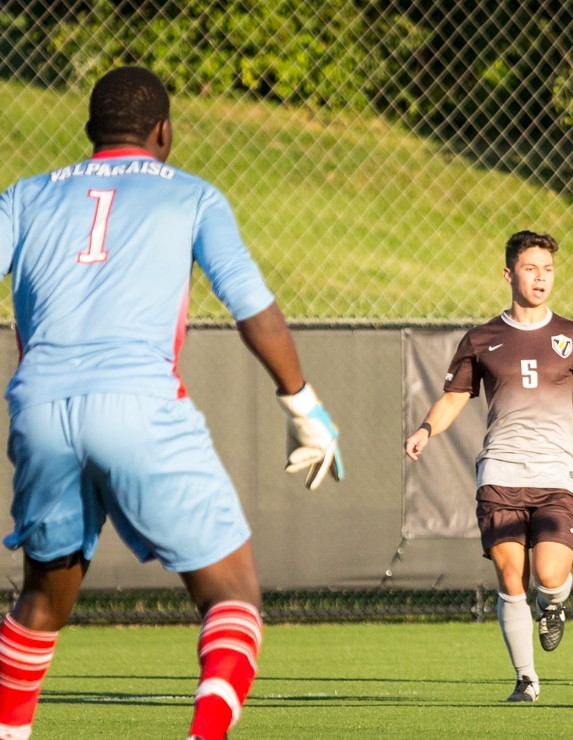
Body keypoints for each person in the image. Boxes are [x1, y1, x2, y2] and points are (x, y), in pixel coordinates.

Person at [0, 66, 345, 740]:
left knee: (43, 601)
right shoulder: (193, 196)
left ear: (89, 132)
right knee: (233, 594)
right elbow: (255, 312)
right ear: (165, 132)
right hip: (138, 403)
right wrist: (304, 407)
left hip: (39, 408)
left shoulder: (25, 195)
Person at [404, 230, 573, 703]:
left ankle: (553, 604)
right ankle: (526, 679)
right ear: (508, 274)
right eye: (530, 268)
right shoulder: (482, 339)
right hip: (500, 473)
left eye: (547, 269)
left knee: (549, 575)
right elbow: (456, 396)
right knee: (509, 575)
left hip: (556, 474)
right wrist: (425, 428)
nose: (541, 278)